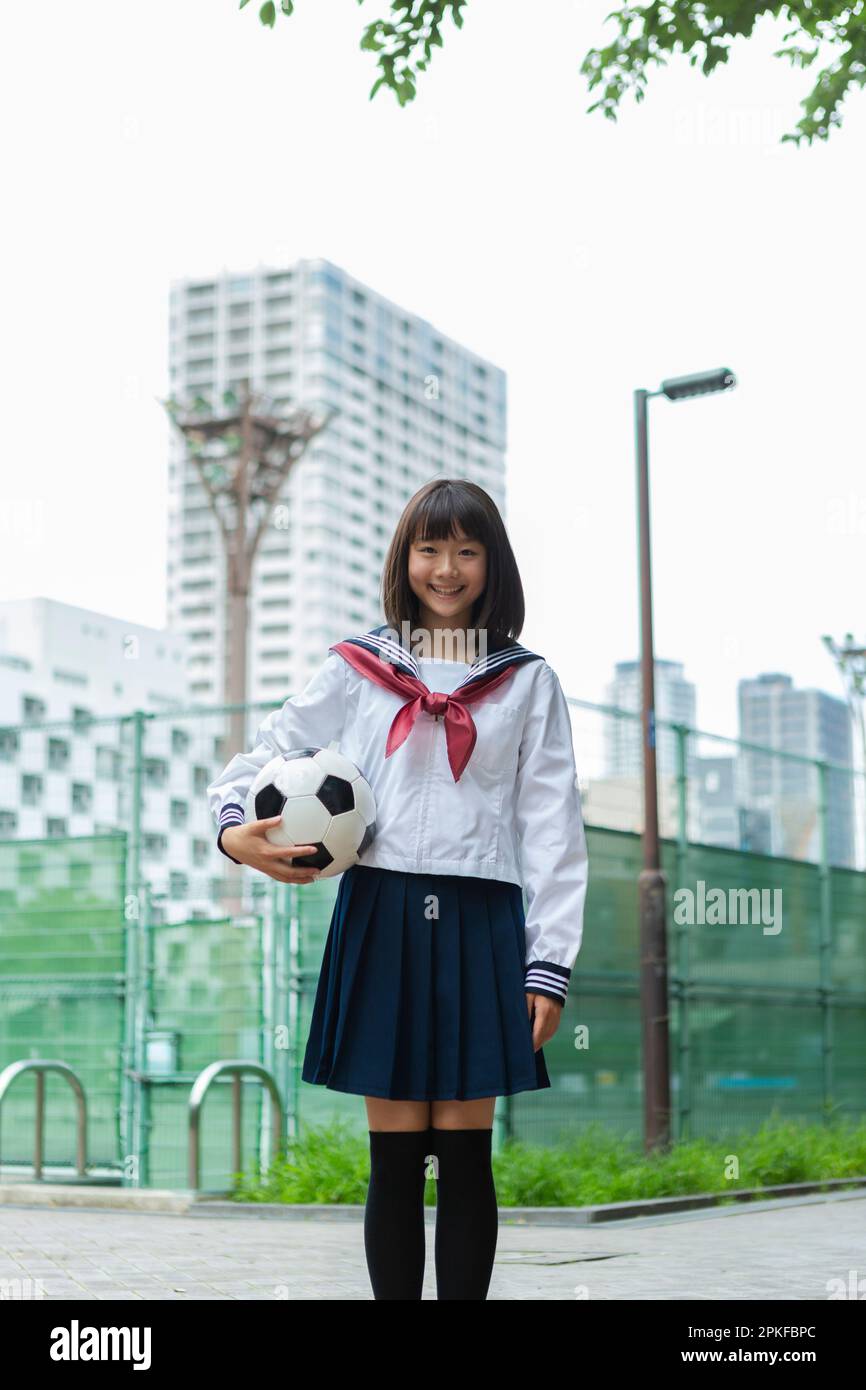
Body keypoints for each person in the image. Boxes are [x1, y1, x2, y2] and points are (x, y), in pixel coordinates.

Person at [207, 477, 589, 1300]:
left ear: (493, 563)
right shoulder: (357, 669)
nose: (445, 569)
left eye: (465, 550)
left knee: (463, 1155)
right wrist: (235, 828)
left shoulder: (527, 684)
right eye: (429, 549)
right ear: (404, 557)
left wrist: (547, 964)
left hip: (482, 919)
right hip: (381, 914)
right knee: (393, 1155)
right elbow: (264, 753)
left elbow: (555, 830)